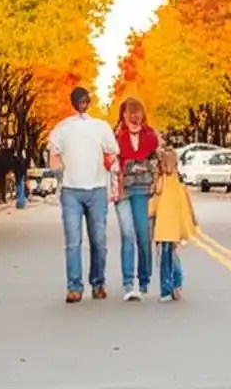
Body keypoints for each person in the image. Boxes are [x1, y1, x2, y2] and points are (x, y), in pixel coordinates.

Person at [48, 86, 119, 304]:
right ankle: (74, 287)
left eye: (85, 100)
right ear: (74, 102)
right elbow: (53, 153)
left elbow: (112, 151)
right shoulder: (61, 128)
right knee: (73, 242)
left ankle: (98, 283)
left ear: (89, 102)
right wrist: (58, 168)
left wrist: (108, 165)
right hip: (71, 191)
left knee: (99, 241)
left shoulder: (101, 127)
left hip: (97, 189)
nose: (82, 104)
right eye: (79, 100)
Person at [112, 98, 159, 301]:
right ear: (123, 116)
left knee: (143, 235)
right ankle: (128, 283)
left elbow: (157, 164)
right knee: (128, 234)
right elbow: (110, 163)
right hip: (122, 191)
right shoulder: (114, 138)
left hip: (142, 190)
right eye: (130, 116)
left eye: (138, 116)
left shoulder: (151, 137)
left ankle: (144, 279)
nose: (134, 120)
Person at [150, 148, 196, 302]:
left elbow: (154, 204)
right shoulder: (178, 183)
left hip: (165, 228)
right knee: (171, 255)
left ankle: (166, 289)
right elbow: (185, 208)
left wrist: (149, 216)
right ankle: (176, 283)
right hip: (171, 228)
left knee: (166, 258)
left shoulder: (162, 182)